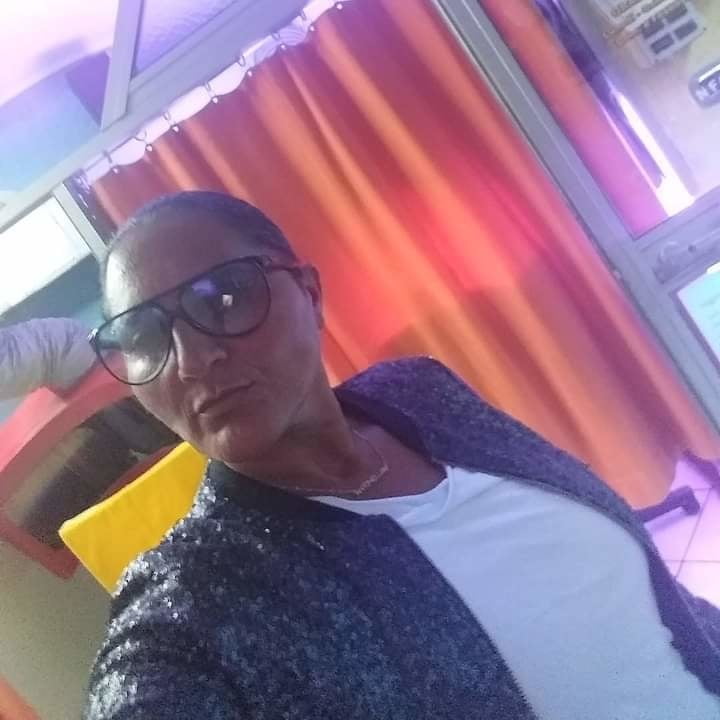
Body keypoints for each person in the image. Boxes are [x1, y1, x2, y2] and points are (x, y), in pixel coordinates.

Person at [84, 191, 720, 720]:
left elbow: (630, 598)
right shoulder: (205, 596)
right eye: (143, 337)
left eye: (224, 298)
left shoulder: (419, 393)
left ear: (310, 293)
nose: (193, 361)